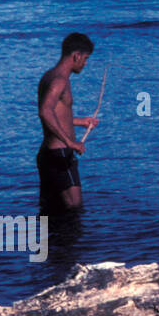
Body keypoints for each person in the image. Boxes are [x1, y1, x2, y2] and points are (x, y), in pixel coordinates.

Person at [37, 32, 98, 213]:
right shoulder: (59, 81)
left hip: (49, 155)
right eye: (85, 58)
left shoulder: (49, 76)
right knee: (74, 208)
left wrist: (81, 122)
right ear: (76, 55)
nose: (85, 63)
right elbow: (45, 112)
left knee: (51, 210)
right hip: (60, 156)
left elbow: (55, 115)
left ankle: (52, 241)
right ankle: (73, 242)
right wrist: (70, 142)